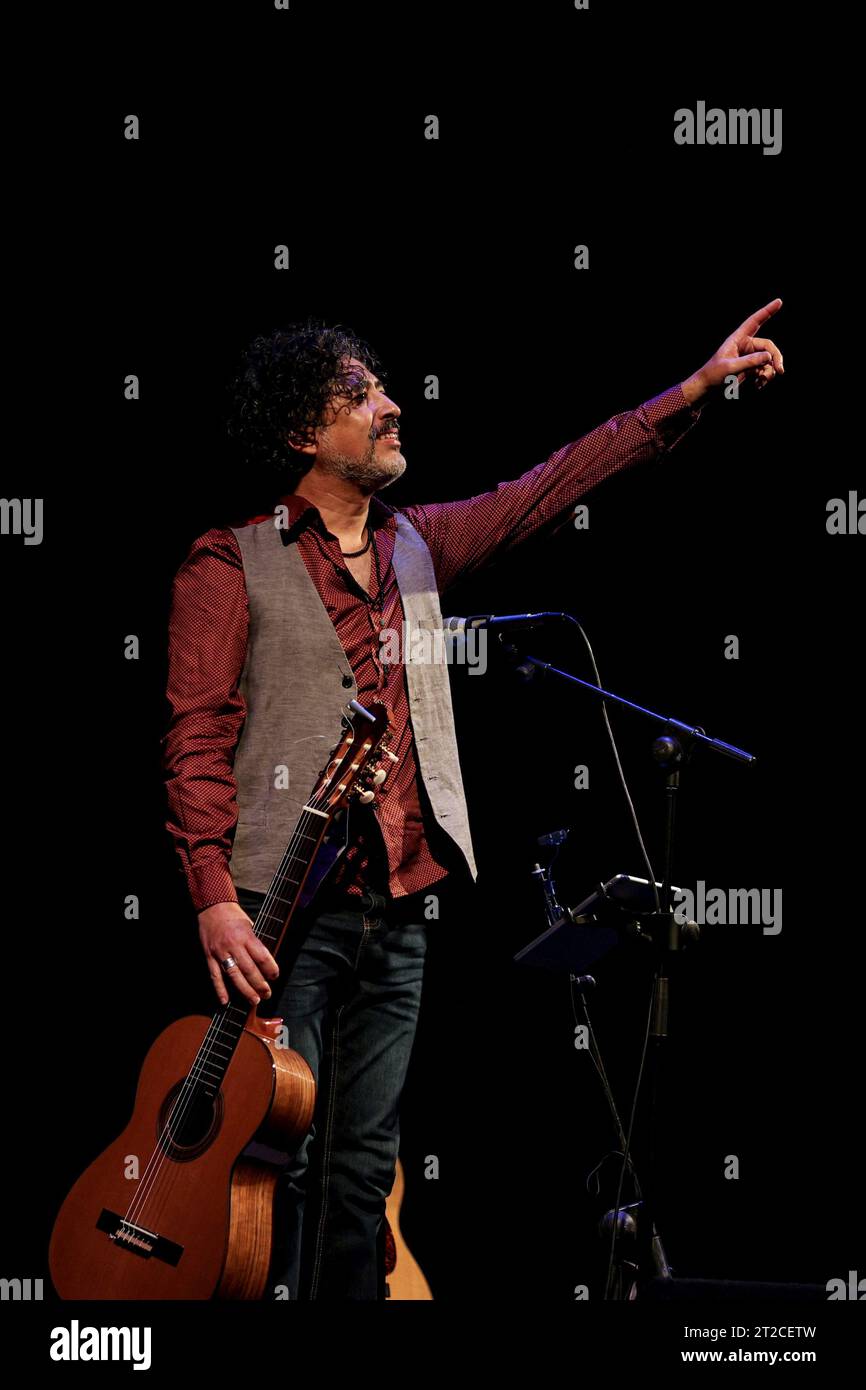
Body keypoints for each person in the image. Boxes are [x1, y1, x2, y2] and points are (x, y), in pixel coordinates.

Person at [161, 304, 783, 1300]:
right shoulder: (230, 561)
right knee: (277, 1166)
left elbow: (551, 485)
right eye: (360, 395)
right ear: (303, 434)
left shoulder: (420, 547)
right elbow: (193, 739)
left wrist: (694, 392)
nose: (391, 407)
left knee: (364, 1175)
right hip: (283, 915)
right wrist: (211, 895)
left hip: (397, 907)